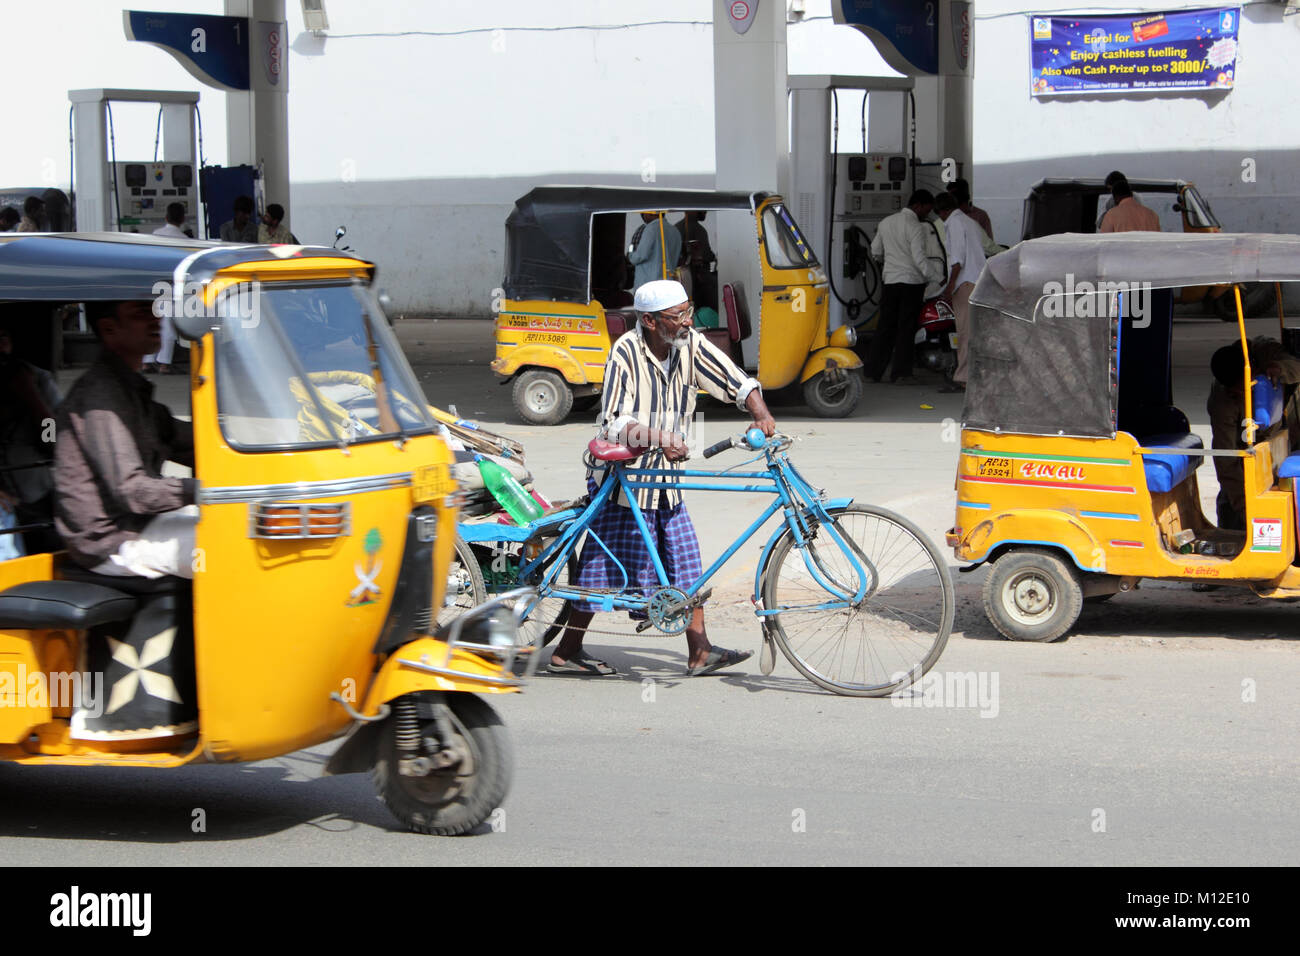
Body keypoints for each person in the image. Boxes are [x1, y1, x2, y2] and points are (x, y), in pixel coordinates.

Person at [548, 278, 775, 677]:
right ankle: (567, 650)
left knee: (686, 561)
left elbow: (730, 376)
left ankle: (699, 650)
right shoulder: (626, 353)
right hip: (624, 479)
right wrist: (658, 437)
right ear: (650, 321)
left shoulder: (688, 343)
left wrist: (759, 410)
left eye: (688, 312)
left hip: (666, 479)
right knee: (603, 567)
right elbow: (615, 421)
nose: (688, 322)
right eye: (678, 316)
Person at [54, 300, 198, 579]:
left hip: (140, 524)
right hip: (112, 542)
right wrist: (206, 489)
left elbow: (181, 438)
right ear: (109, 329)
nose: (156, 320)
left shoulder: (129, 387)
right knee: (236, 550)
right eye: (141, 314)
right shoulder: (101, 396)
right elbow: (132, 491)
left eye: (154, 311)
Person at [1206, 340, 1300, 530]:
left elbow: (1296, 367)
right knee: (1232, 500)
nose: (1243, 394)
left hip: (1289, 429)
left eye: (1247, 387)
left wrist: (1279, 369)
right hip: (1251, 447)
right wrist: (1247, 510)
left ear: (1254, 369)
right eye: (1238, 391)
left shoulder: (1265, 352)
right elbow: (1226, 458)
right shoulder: (1223, 402)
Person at [866, 189, 940, 385]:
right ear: (918, 205)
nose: (928, 214)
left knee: (885, 327)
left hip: (890, 281)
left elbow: (875, 251)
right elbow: (919, 258)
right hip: (911, 284)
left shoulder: (886, 222)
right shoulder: (915, 226)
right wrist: (935, 277)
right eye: (927, 209)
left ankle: (873, 372)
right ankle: (901, 373)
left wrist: (888, 264)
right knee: (905, 329)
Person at [0, 323, 62, 554]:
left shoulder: (37, 379)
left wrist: (31, 397)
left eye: (3, 336)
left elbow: (54, 439)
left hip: (36, 492)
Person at [933, 191, 987, 393]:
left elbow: (957, 260)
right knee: (973, 332)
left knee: (965, 333)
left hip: (965, 283)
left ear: (943, 211)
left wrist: (949, 287)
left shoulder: (954, 223)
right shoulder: (970, 222)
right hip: (976, 281)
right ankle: (972, 375)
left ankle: (964, 378)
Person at [628, 212, 682, 292]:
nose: (643, 216)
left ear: (650, 213)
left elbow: (641, 256)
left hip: (649, 285)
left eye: (643, 213)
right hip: (669, 283)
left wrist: (630, 255)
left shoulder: (651, 228)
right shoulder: (675, 230)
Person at [675, 211, 717, 312]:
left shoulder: (675, 228)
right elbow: (705, 254)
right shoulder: (699, 230)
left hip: (679, 278)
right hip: (698, 280)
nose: (705, 212)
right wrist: (713, 256)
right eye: (703, 210)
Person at [947, 178, 998, 256]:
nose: (952, 199)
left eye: (954, 195)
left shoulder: (980, 215)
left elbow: (989, 245)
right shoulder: (947, 217)